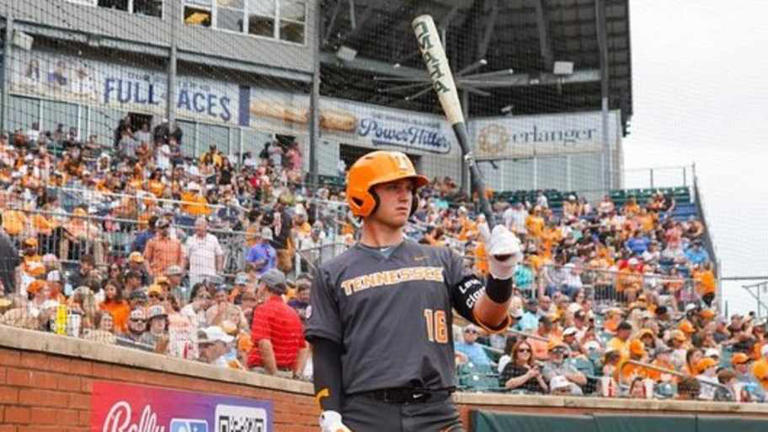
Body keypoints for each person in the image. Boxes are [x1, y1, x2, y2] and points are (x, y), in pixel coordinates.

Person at [306, 151, 521, 432]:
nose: (405, 196)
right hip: (366, 415)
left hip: (437, 414)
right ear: (363, 194)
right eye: (393, 187)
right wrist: (330, 415)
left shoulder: (444, 260)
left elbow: (489, 317)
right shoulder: (333, 272)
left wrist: (501, 275)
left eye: (409, 189)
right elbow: (325, 352)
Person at [247, 269, 308, 376]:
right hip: (287, 373)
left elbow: (264, 344)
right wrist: (297, 374)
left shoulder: (262, 309)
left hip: (264, 372)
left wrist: (274, 374)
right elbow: (303, 347)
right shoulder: (293, 313)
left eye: (260, 283)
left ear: (264, 286)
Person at [184, 216, 224, 288]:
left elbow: (219, 255)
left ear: (206, 227)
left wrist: (219, 271)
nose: (196, 228)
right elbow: (185, 258)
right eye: (196, 225)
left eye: (199, 225)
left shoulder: (213, 239)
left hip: (210, 274)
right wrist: (182, 271)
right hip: (195, 274)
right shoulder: (190, 240)